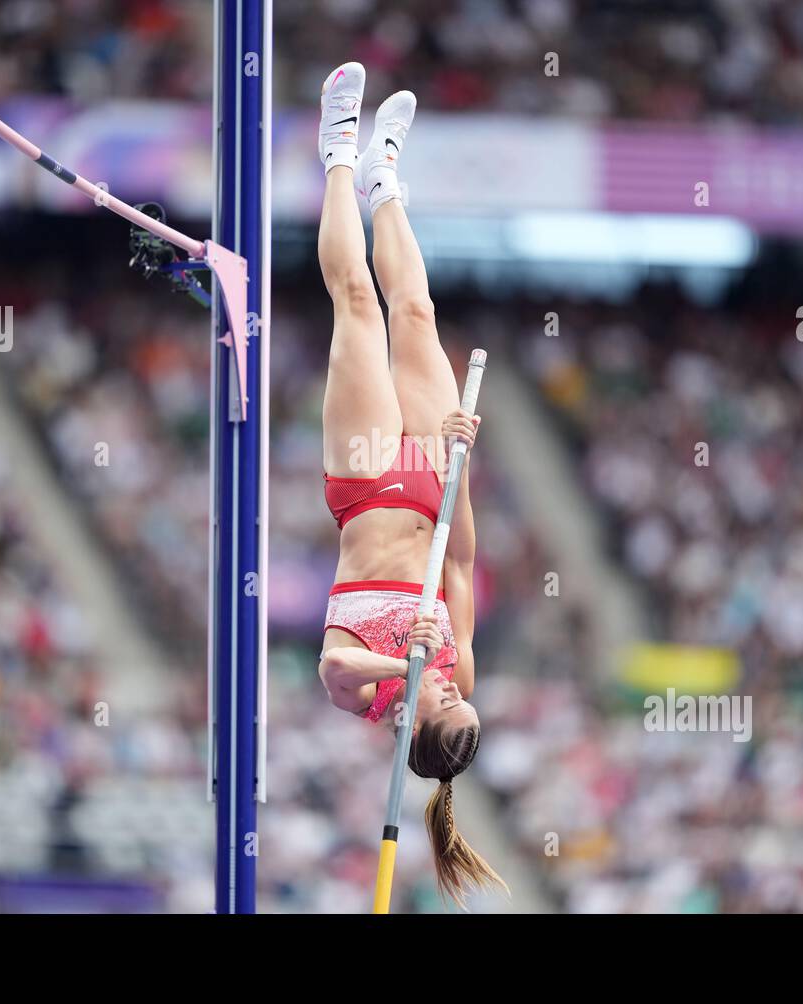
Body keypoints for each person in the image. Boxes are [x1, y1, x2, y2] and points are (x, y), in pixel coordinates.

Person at [314, 62, 506, 907]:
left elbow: (328, 663)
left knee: (359, 302)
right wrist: (461, 462)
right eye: (467, 695)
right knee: (417, 312)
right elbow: (457, 561)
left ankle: (339, 153)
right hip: (430, 478)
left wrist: (402, 670)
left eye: (448, 702)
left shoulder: (367, 693)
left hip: (361, 483)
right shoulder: (453, 655)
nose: (457, 683)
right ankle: (390, 176)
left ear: (416, 727)